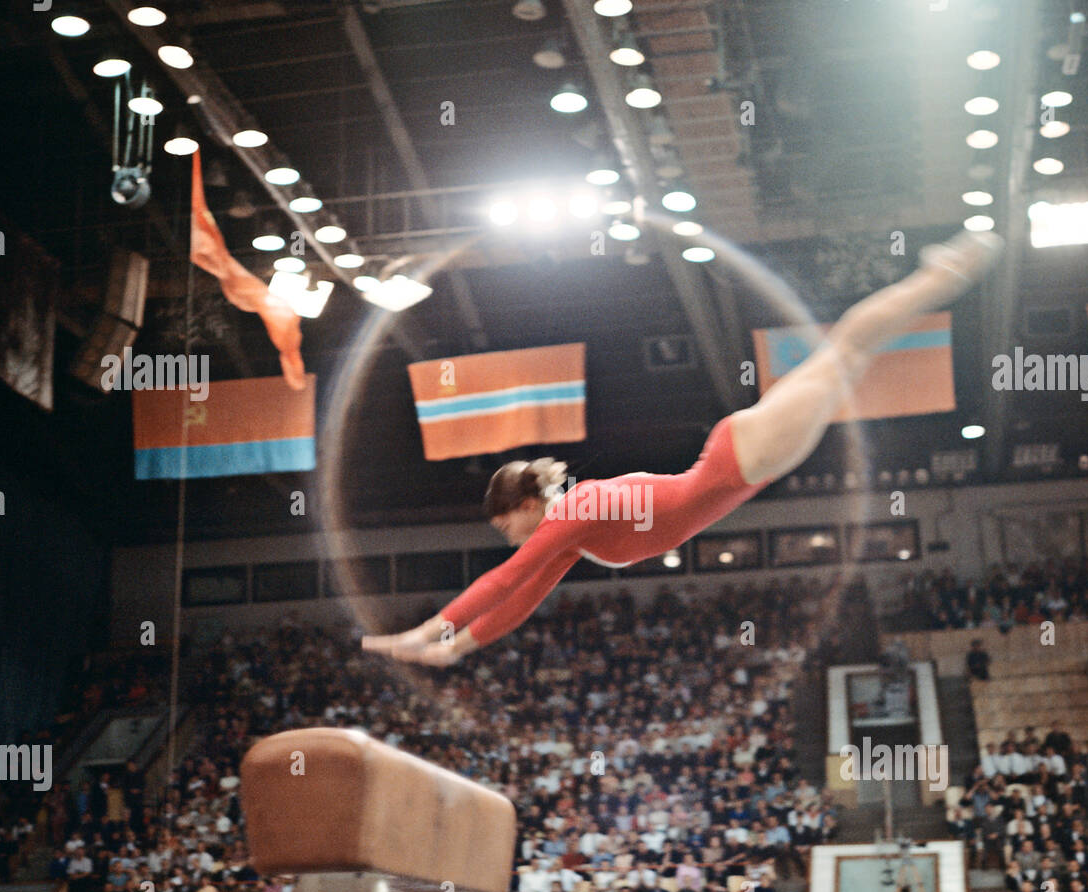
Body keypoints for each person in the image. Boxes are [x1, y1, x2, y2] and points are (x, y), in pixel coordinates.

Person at [366, 230, 1003, 665]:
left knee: (846, 357)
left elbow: (506, 577)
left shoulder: (568, 516)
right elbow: (525, 594)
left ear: (527, 502)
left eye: (504, 521)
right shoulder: (568, 528)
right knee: (844, 361)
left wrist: (430, 631)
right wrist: (460, 646)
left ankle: (946, 271)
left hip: (734, 462)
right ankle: (940, 272)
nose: (505, 533)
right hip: (739, 467)